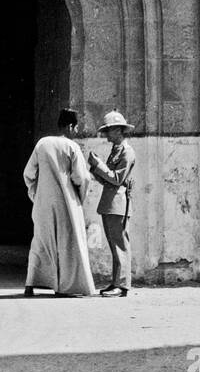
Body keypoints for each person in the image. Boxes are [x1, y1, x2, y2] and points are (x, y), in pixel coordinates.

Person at [22, 109, 95, 298]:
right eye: (76, 127)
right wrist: (79, 198)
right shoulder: (72, 147)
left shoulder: (42, 144)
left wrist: (36, 194)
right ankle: (62, 286)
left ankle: (31, 284)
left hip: (43, 202)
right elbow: (81, 177)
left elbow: (29, 173)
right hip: (66, 203)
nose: (76, 131)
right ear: (70, 126)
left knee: (41, 242)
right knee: (66, 243)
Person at [87, 111, 136, 297]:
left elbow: (116, 179)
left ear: (118, 130)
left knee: (120, 245)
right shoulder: (117, 151)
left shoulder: (127, 151)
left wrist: (99, 165)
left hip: (119, 203)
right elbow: (108, 180)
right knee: (115, 245)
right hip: (111, 203)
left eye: (109, 130)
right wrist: (96, 168)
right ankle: (117, 282)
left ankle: (122, 285)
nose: (106, 135)